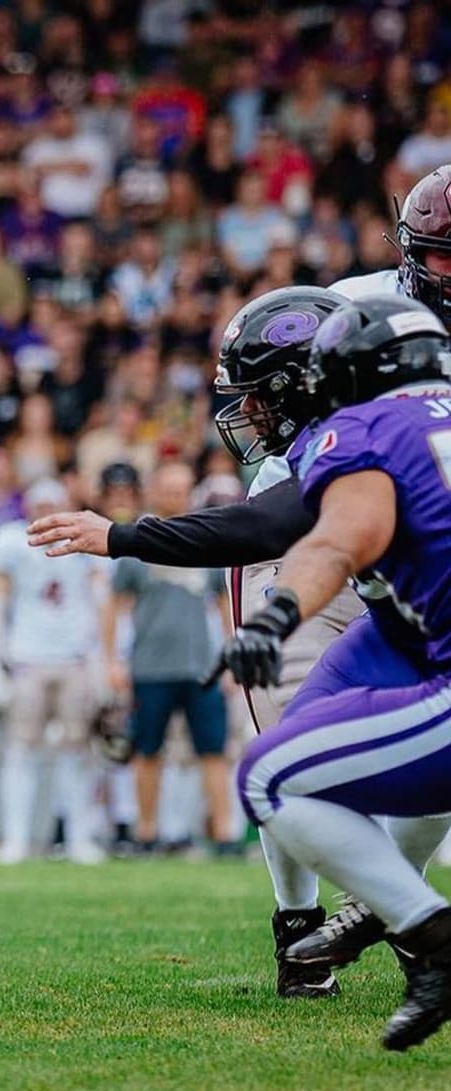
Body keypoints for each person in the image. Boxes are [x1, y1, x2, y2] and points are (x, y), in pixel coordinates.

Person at [29, 191, 451, 985]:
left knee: (313, 770)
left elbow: (277, 523)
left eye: (262, 394)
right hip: (345, 561)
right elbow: (292, 529)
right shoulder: (357, 319)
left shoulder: (366, 424)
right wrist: (274, 610)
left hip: (396, 569)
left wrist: (120, 535)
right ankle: (323, 916)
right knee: (287, 748)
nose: (249, 412)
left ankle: (406, 915)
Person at [213, 294, 451, 1051]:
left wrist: (274, 618)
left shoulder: (363, 431)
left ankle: (424, 931)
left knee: (272, 776)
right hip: (409, 632)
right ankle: (381, 912)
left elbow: (335, 540)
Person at [103, 459, 234, 853]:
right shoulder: (136, 541)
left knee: (213, 752)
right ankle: (146, 832)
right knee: (147, 752)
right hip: (150, 665)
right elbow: (114, 607)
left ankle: (224, 833)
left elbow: (224, 604)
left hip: (202, 665)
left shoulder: (206, 539)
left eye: (182, 490)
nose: (176, 497)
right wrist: (112, 660)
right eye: (169, 489)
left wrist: (233, 655)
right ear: (154, 491)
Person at [0, 479, 108, 864]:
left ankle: (79, 838)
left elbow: (101, 602)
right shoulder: (11, 542)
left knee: (77, 750)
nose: (47, 513)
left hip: (74, 657)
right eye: (41, 506)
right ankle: (16, 838)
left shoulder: (83, 539)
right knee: (21, 748)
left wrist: (101, 661)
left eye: (54, 505)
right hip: (28, 657)